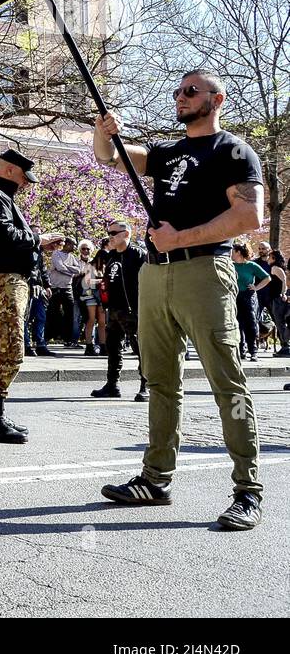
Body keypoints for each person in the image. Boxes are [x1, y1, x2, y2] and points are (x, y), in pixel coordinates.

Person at [94, 68, 265, 530]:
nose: (182, 97)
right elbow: (110, 157)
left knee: (226, 381)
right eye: (178, 92)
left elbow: (249, 215)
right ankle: (155, 479)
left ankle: (248, 490)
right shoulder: (169, 153)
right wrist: (103, 131)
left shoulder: (233, 150)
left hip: (203, 269)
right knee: (160, 380)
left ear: (217, 98)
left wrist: (181, 236)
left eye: (192, 91)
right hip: (155, 274)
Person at [0, 149, 63, 443]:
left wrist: (36, 245)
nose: (25, 185)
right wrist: (39, 239)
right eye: (24, 178)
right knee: (9, 349)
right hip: (3, 281)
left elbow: (6, 238)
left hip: (7, 280)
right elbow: (5, 237)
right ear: (11, 171)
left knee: (4, 348)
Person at [92, 221, 147, 400]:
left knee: (140, 348)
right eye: (109, 233)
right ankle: (112, 385)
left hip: (133, 309)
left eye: (114, 232)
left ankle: (146, 385)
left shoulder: (138, 254)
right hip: (114, 310)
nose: (110, 236)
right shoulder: (111, 256)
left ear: (126, 234)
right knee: (113, 347)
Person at [231, 243, 269, 362]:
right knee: (237, 324)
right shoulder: (230, 265)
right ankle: (241, 350)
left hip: (249, 297)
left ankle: (253, 351)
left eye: (232, 251)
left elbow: (267, 277)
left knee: (251, 324)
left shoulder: (251, 265)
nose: (230, 253)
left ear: (238, 252)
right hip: (234, 296)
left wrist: (256, 287)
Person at [47, 238, 80, 348]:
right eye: (73, 245)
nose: (74, 247)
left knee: (69, 314)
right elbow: (59, 267)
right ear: (67, 244)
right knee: (53, 313)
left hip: (67, 288)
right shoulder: (56, 253)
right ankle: (47, 337)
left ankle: (68, 339)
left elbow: (78, 270)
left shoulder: (72, 257)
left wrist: (67, 269)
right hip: (55, 288)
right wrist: (70, 272)